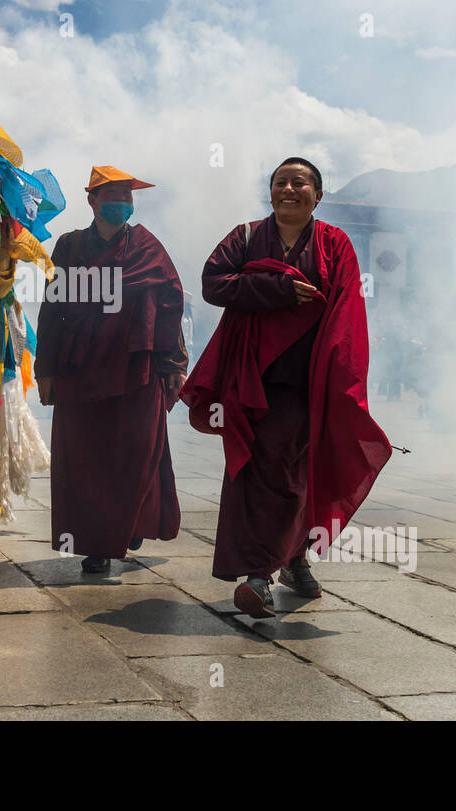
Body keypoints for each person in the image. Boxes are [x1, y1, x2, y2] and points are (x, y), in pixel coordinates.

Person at [182, 158, 391, 617]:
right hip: (249, 379)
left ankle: (260, 575)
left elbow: (347, 313)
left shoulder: (334, 243)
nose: (289, 189)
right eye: (281, 182)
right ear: (270, 191)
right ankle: (293, 559)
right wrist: (274, 288)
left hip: (306, 381)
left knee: (284, 475)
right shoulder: (245, 236)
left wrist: (343, 383)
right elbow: (213, 284)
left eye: (300, 183)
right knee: (258, 473)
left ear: (318, 194)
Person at [34, 166, 187, 574]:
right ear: (92, 201)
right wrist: (44, 368)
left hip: (137, 368)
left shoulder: (147, 246)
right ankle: (97, 543)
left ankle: (129, 521)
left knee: (137, 452)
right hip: (79, 366)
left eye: (127, 199)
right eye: (113, 198)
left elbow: (171, 303)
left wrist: (174, 363)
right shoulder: (68, 247)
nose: (122, 205)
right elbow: (52, 307)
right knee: (85, 457)